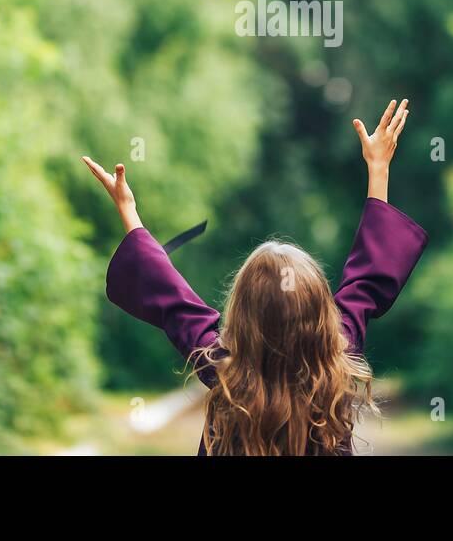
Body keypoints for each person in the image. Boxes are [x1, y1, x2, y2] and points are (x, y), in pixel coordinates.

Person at [82, 98, 427, 455]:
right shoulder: (336, 357)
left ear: (242, 310)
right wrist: (378, 166)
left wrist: (129, 211)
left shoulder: (222, 366)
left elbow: (167, 293)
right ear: (320, 312)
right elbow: (370, 274)